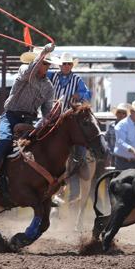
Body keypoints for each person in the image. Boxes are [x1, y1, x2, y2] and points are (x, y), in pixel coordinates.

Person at [0, 43, 57, 195]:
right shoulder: (24, 70)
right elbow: (29, 73)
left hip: (29, 121)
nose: (46, 66)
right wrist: (43, 54)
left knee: (43, 147)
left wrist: (49, 120)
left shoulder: (48, 87)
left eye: (47, 63)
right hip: (11, 116)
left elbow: (46, 110)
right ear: (37, 61)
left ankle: (45, 185)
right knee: (5, 140)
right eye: (44, 63)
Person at [47, 53, 92, 202]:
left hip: (69, 119)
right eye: (63, 64)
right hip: (51, 116)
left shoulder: (77, 79)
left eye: (68, 64)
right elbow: (37, 72)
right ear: (59, 65)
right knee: (36, 134)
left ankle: (81, 161)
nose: (65, 66)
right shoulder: (51, 75)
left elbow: (88, 94)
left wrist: (80, 95)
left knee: (79, 142)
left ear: (72, 65)